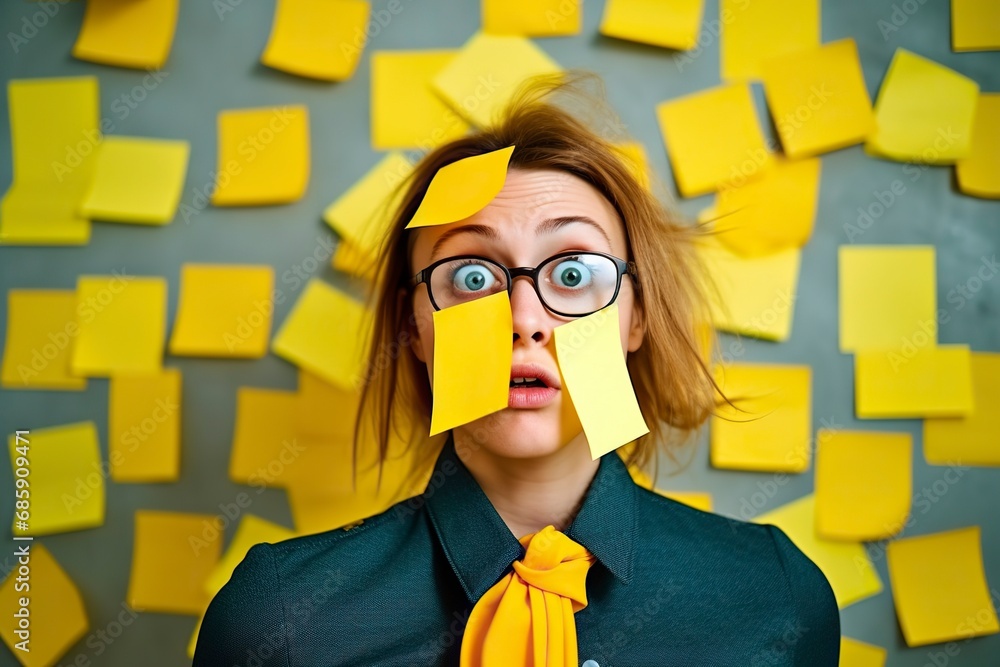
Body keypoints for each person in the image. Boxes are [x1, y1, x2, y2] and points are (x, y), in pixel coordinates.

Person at [192, 74, 840, 666]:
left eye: (573, 273)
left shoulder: (777, 596)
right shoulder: (278, 622)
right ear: (413, 328)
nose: (524, 319)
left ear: (636, 318)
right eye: (473, 277)